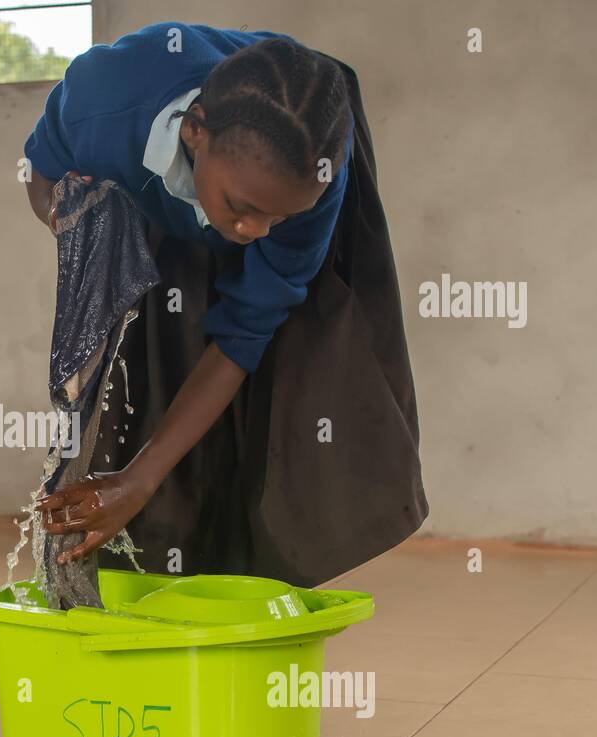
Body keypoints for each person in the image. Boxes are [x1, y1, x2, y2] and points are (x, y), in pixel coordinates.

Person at [24, 21, 369, 574]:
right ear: (194, 131)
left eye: (277, 218)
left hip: (307, 127)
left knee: (286, 376)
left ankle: (246, 557)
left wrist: (141, 476)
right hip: (157, 159)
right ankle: (161, 541)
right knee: (151, 353)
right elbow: (40, 175)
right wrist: (81, 227)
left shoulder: (315, 180)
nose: (258, 230)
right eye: (244, 208)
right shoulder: (102, 102)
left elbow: (244, 331)